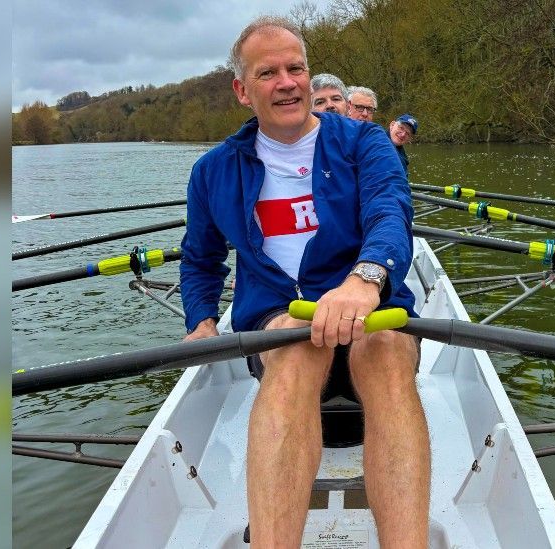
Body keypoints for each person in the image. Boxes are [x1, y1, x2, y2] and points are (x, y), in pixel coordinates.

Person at [178, 16, 429, 548]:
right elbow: (201, 260)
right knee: (295, 344)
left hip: (372, 311)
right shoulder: (211, 172)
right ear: (243, 91)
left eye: (296, 68)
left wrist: (365, 279)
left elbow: (390, 213)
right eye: (268, 73)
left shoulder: (365, 143)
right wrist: (201, 320)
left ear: (309, 78)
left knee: (384, 351)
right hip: (280, 322)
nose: (287, 82)